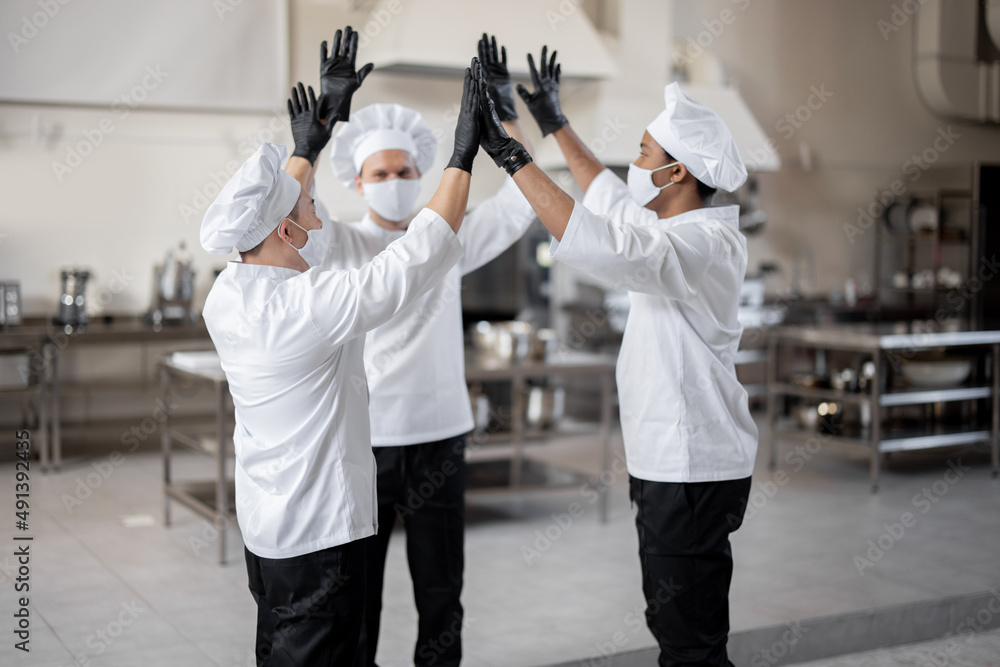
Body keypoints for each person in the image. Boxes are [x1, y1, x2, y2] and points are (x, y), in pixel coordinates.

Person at [198, 30, 487, 664]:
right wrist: (462, 157)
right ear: (286, 226)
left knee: (282, 649)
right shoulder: (308, 307)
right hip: (320, 535)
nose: (316, 211)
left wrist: (307, 148)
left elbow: (274, 224)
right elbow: (408, 264)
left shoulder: (230, 294)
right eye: (307, 204)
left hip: (270, 533)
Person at [474, 50, 757, 667]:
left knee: (689, 638)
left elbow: (603, 240)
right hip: (675, 464)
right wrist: (552, 121)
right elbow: (603, 197)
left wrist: (511, 156)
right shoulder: (669, 229)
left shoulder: (703, 242)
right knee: (675, 618)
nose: (634, 165)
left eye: (645, 154)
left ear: (677, 172)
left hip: (692, 467)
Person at [296, 32, 536, 667]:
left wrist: (507, 116)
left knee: (440, 592)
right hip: (363, 443)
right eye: (383, 173)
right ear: (358, 180)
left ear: (423, 173)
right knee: (357, 595)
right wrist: (323, 121)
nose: (397, 181)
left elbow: (521, 203)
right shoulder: (341, 243)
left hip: (439, 436)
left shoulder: (446, 238)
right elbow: (293, 209)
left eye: (407, 172)